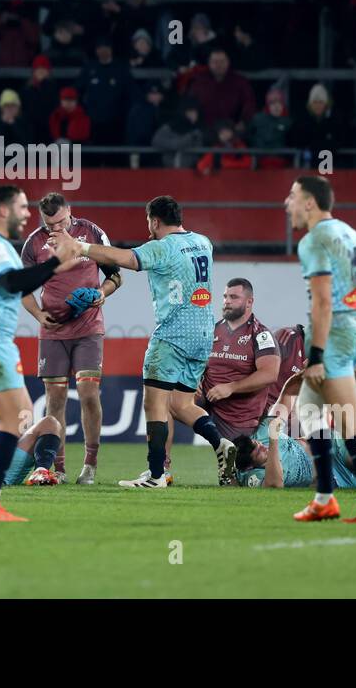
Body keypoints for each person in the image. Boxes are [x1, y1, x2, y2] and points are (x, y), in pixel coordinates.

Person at [51, 195, 235, 489]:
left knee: (154, 404)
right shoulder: (203, 242)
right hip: (203, 334)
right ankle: (221, 444)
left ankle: (156, 475)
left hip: (172, 335)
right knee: (182, 403)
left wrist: (81, 247)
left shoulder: (160, 248)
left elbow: (125, 258)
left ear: (155, 221)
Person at [0, 185, 78, 520]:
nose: (28, 214)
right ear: (4, 210)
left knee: (17, 417)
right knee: (15, 419)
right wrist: (55, 261)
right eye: (23, 207)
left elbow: (20, 283)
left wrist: (57, 264)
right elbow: (11, 282)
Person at [284, 175, 356, 524]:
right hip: (351, 331)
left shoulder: (314, 240)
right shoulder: (352, 236)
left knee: (349, 424)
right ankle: (324, 498)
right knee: (310, 411)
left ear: (310, 203)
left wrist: (315, 357)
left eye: (293, 196)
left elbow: (324, 302)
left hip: (331, 335)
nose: (288, 204)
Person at [19, 192, 122, 484]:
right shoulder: (34, 243)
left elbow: (115, 275)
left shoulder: (91, 233)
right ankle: (58, 468)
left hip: (88, 326)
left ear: (70, 213)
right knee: (55, 398)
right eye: (50, 223)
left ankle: (90, 465)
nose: (56, 228)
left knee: (89, 393)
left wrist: (102, 294)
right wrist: (39, 315)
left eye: (61, 222)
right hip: (52, 330)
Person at [197, 279, 280, 473]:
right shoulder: (212, 330)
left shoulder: (260, 334)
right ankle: (162, 467)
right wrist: (194, 381)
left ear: (249, 302)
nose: (226, 301)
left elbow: (270, 374)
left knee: (245, 473)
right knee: (167, 401)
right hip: (208, 405)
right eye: (225, 296)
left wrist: (231, 387)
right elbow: (196, 360)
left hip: (240, 420)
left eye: (234, 297)